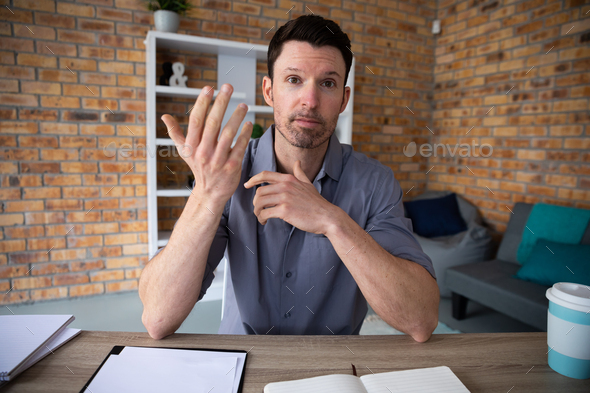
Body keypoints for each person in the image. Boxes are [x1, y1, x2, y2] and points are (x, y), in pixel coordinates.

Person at [139, 15, 439, 342]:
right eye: (294, 79)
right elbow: (157, 318)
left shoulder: (375, 182)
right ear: (269, 91)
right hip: (243, 360)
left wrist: (331, 220)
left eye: (327, 83)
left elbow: (420, 319)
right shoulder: (226, 173)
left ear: (343, 99)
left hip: (334, 369)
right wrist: (207, 197)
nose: (310, 101)